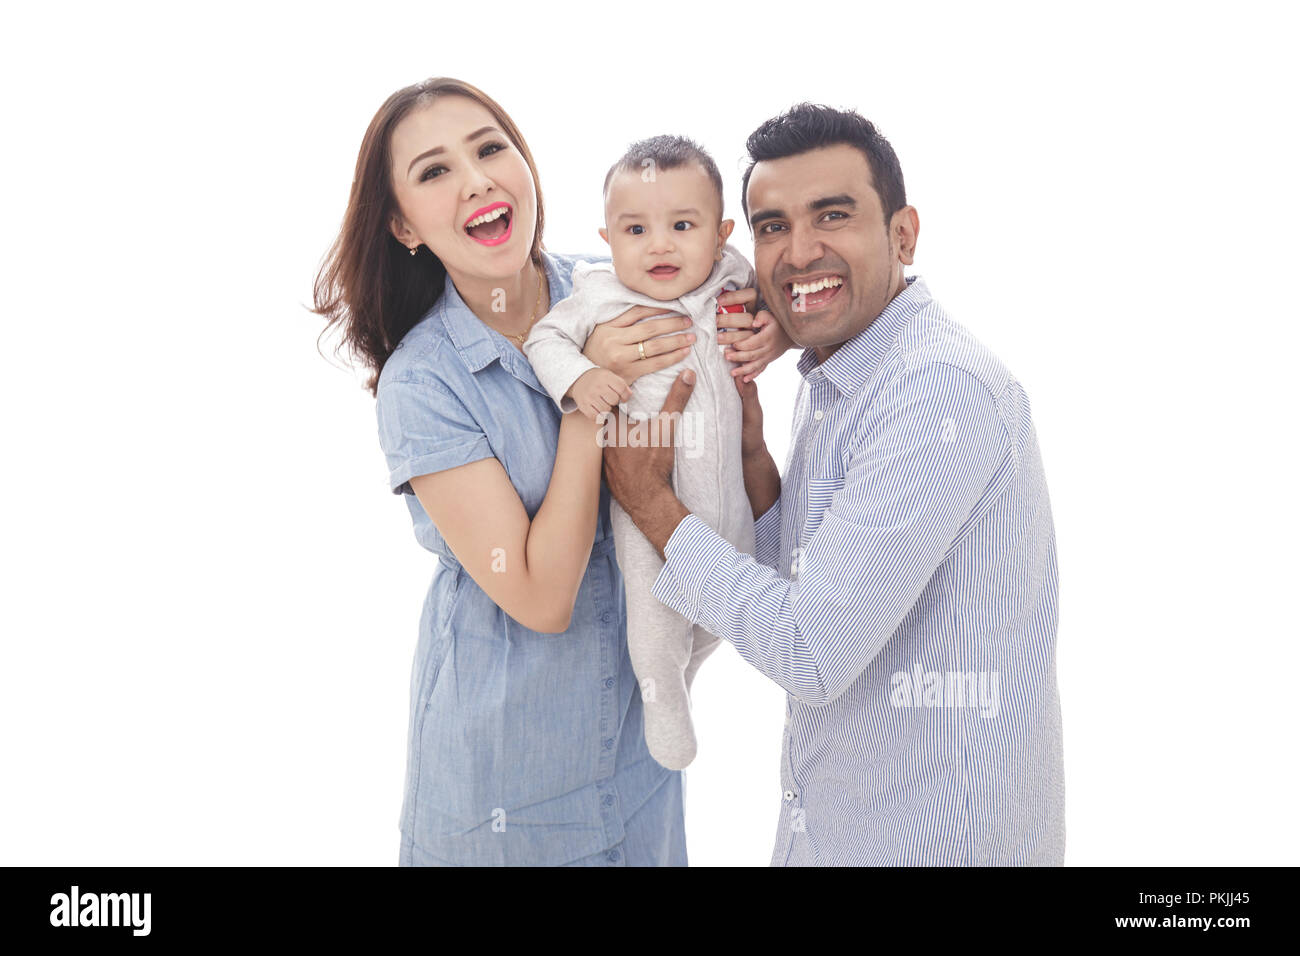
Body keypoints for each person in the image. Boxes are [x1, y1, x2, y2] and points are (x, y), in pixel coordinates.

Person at [311, 77, 784, 866]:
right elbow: (541, 597)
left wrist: (759, 330)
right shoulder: (425, 383)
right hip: (503, 787)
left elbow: (719, 283)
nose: (476, 180)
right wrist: (582, 396)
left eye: (491, 149)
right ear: (402, 225)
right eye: (434, 172)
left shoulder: (614, 284)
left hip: (635, 762)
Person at [601, 103, 1066, 866]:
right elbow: (799, 578)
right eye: (772, 225)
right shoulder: (843, 373)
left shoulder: (935, 390)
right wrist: (751, 449)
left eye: (832, 215)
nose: (797, 251)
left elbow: (810, 649)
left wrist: (652, 504)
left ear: (903, 234)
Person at [523, 134, 795, 770]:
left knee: (723, 616)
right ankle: (660, 690)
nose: (660, 244)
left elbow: (774, 301)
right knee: (654, 615)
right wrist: (582, 377)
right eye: (636, 229)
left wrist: (771, 329)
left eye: (682, 224)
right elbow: (544, 340)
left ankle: (678, 679)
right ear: (608, 237)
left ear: (722, 233)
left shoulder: (731, 278)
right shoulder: (598, 294)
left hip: (726, 497)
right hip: (645, 498)